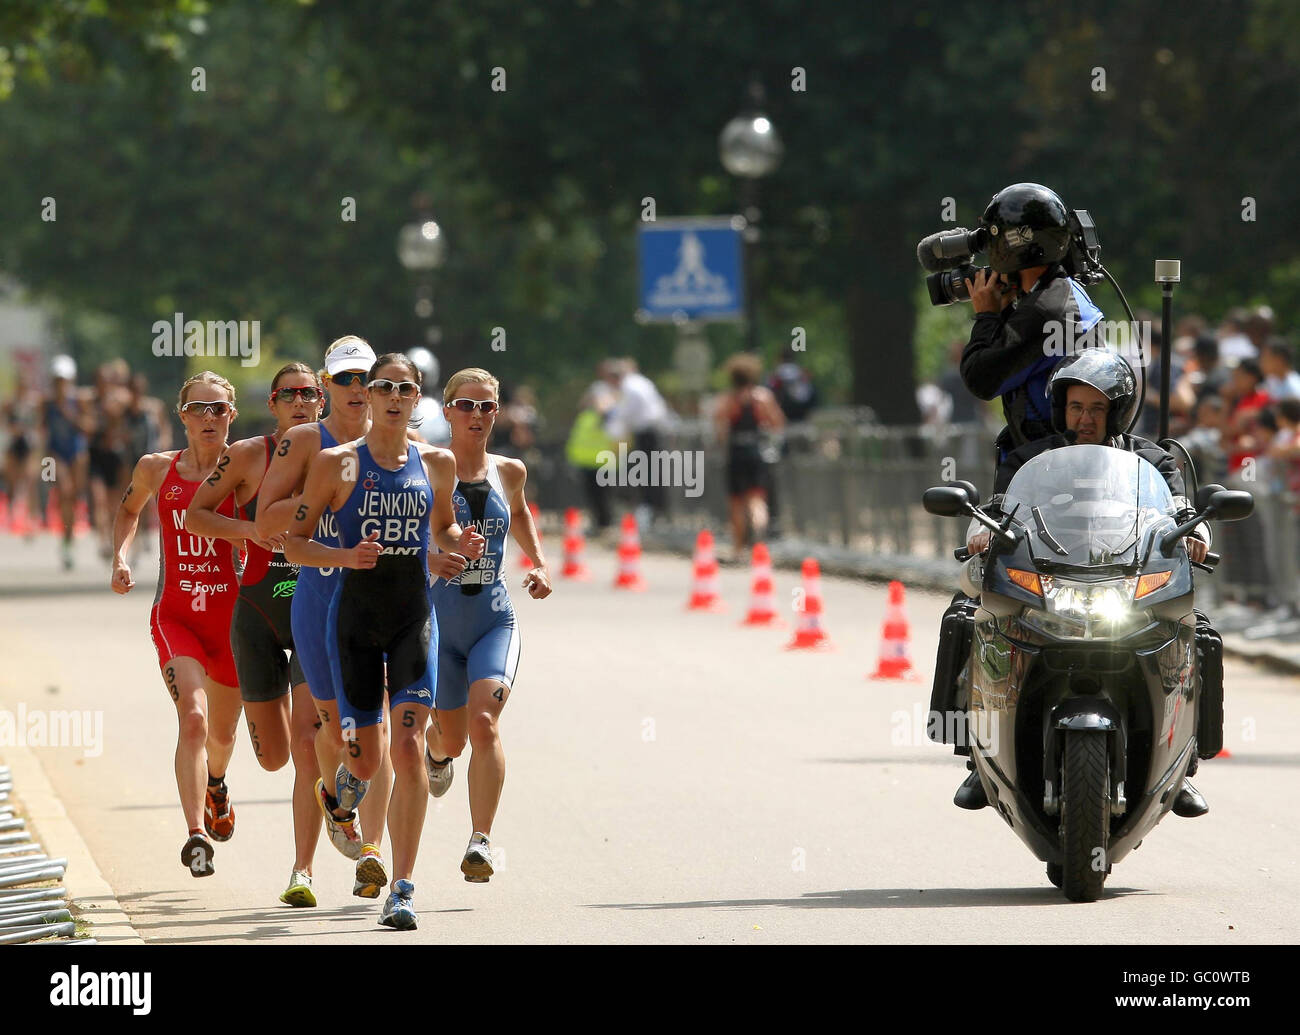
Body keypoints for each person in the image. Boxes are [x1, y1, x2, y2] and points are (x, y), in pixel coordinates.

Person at [957, 350, 1215, 818]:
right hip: (1047, 578)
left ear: (1116, 411)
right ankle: (975, 756)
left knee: (1202, 633)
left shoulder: (1154, 460)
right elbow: (999, 509)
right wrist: (980, 531)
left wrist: (1197, 533)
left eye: (1097, 409)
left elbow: (1181, 510)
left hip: (1127, 580)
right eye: (1076, 407)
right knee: (964, 618)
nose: (1085, 418)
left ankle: (1186, 764)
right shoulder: (1029, 456)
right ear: (1062, 408)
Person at [286, 353, 484, 930]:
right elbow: (294, 544)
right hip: (352, 619)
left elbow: (440, 525)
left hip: (412, 617)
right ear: (368, 396)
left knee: (407, 746)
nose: (395, 397)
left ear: (417, 397)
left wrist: (457, 544)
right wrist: (345, 556)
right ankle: (345, 783)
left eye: (406, 389)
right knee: (368, 759)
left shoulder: (438, 462)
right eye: (384, 388)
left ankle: (403, 886)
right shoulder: (336, 464)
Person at [253, 336, 396, 900]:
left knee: (380, 728)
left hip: (381, 599)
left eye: (369, 379)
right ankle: (315, 847)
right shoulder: (305, 440)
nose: (359, 390)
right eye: (345, 380)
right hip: (318, 598)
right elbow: (267, 520)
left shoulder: (402, 442)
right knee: (327, 732)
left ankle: (372, 853)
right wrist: (329, 493)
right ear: (326, 386)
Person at [186, 362, 328, 906]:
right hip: (258, 611)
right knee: (273, 757)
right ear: (272, 404)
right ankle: (216, 786)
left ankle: (303, 870)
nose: (299, 401)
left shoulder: (339, 456)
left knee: (308, 740)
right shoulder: (247, 455)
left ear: (321, 400)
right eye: (288, 394)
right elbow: (197, 515)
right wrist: (250, 529)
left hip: (312, 608)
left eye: (308, 393)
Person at [110, 371, 243, 877]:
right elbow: (127, 512)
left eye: (219, 409)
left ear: (231, 416)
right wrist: (120, 558)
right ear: (181, 415)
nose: (209, 418)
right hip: (177, 615)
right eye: (199, 408)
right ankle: (195, 834)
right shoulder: (155, 469)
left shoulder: (247, 469)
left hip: (232, 625)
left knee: (223, 738)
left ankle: (217, 782)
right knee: (193, 716)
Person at [423, 367, 551, 885]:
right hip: (437, 624)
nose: (477, 415)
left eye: (487, 407)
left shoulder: (510, 471)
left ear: (497, 412)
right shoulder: (427, 468)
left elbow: (518, 514)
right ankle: (436, 752)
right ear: (448, 410)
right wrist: (433, 559)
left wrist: (538, 562)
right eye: (467, 405)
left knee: (485, 724)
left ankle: (480, 840)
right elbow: (408, 535)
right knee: (452, 740)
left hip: (491, 621)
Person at [958, 183, 1104, 484]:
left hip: (1052, 475)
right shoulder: (1063, 294)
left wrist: (987, 315)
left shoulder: (1045, 309)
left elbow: (981, 378)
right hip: (1068, 464)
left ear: (1011, 246)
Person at [714, 353, 785, 556]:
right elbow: (777, 422)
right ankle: (760, 540)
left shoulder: (728, 399)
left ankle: (738, 548)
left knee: (736, 501)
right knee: (757, 499)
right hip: (756, 450)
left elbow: (719, 427)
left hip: (736, 452)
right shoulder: (762, 397)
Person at [604, 358, 673, 526]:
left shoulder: (629, 387)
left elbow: (626, 414)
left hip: (645, 432)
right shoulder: (642, 382)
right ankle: (657, 510)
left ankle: (650, 510)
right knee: (652, 473)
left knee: (645, 474)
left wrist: (613, 430)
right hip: (653, 431)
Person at [42, 355, 92, 570]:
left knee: (73, 496)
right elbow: (42, 430)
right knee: (64, 490)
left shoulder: (78, 399)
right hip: (56, 454)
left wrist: (68, 413)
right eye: (57, 381)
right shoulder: (46, 403)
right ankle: (65, 539)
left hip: (76, 453)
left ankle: (70, 537)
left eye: (63, 380)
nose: (60, 385)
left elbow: (87, 426)